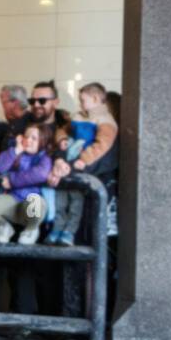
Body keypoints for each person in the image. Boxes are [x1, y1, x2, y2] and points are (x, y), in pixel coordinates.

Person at [46, 82, 119, 246]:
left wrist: (83, 161)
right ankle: (57, 229)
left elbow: (101, 145)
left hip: (80, 167)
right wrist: (62, 139)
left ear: (95, 98)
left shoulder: (106, 121)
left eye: (82, 100)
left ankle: (68, 232)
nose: (80, 103)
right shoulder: (78, 116)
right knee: (61, 199)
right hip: (70, 162)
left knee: (75, 203)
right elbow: (62, 130)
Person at [0, 123, 54, 245]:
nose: (28, 140)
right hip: (13, 200)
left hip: (31, 202)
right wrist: (17, 150)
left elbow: (41, 174)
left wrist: (12, 180)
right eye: (26, 136)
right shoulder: (16, 152)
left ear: (43, 141)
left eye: (34, 138)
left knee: (36, 202)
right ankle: (4, 227)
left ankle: (31, 229)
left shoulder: (45, 157)